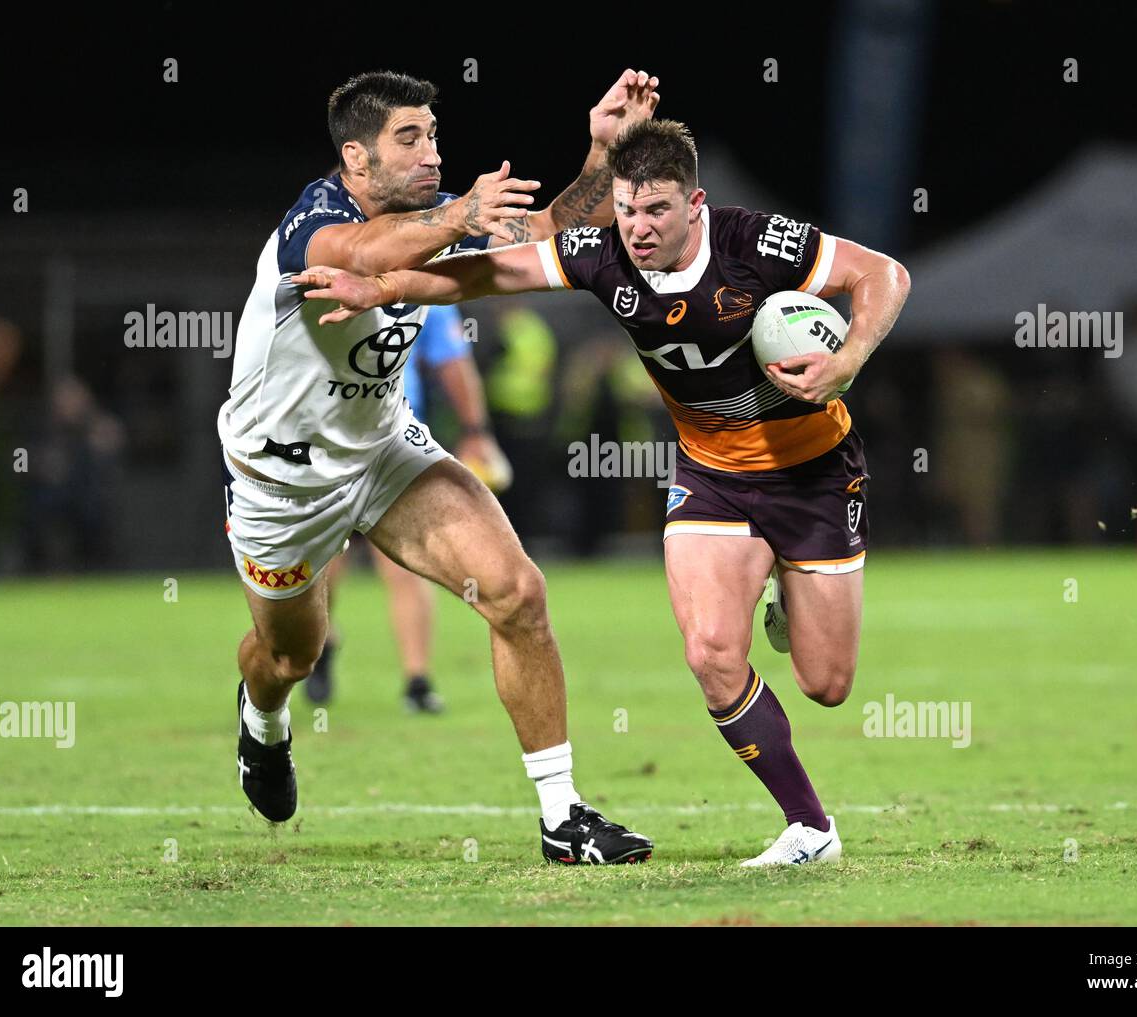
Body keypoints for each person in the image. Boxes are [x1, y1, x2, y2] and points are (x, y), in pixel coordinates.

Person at [293, 119, 912, 866]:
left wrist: (846, 360)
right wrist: (384, 284)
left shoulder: (757, 243)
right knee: (712, 652)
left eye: (657, 211)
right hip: (712, 475)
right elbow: (489, 273)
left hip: (814, 472)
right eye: (627, 209)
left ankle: (786, 583)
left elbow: (885, 274)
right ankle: (810, 826)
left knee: (827, 683)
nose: (640, 228)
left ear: (696, 205)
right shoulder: (600, 254)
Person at [218, 69, 660, 865]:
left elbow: (527, 245)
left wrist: (599, 157)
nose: (431, 153)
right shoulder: (315, 220)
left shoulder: (431, 213)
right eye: (409, 139)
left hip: (386, 453)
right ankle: (262, 721)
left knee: (517, 592)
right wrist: (457, 213)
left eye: (433, 135)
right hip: (284, 482)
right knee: (293, 654)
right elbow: (359, 251)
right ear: (356, 158)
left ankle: (563, 817)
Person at [309, 302, 511, 714]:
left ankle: (417, 680)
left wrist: (474, 431)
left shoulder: (428, 289)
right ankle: (320, 644)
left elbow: (453, 362)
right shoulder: (328, 273)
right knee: (325, 562)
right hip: (327, 437)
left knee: (404, 560)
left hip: (395, 439)